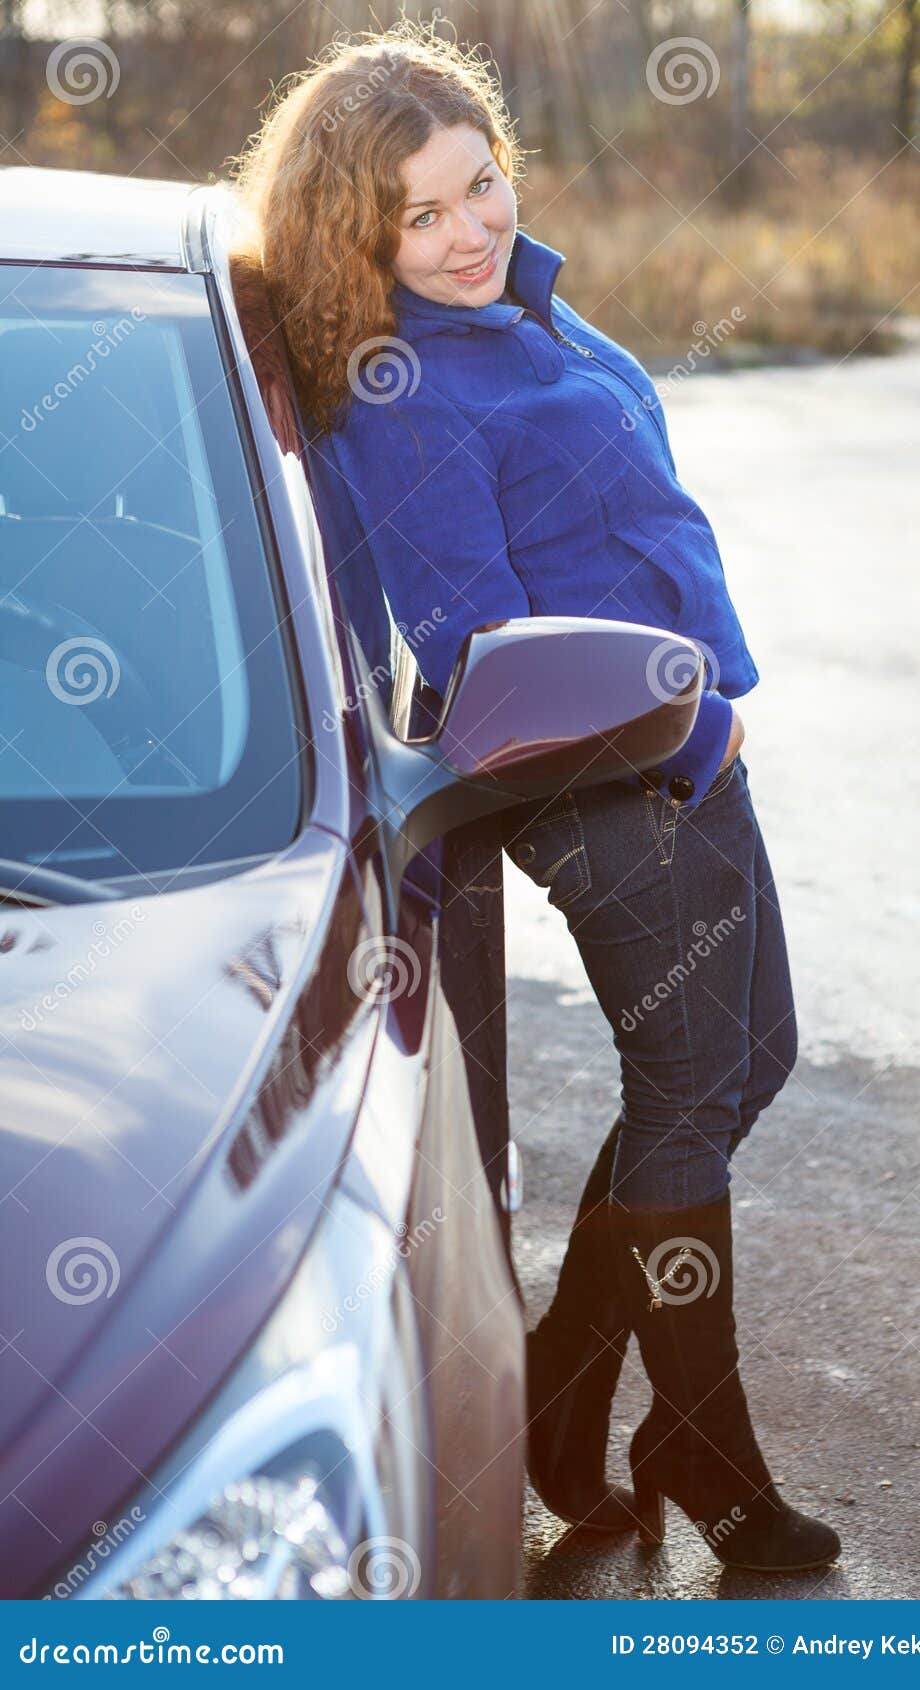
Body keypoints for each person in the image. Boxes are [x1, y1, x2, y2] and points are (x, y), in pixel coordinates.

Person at [231, 20, 840, 1574]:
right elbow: (479, 644)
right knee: (696, 1098)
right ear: (358, 235)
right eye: (418, 216)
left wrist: (713, 706)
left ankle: (564, 1394)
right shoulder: (405, 386)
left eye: (478, 185)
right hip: (601, 771)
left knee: (743, 1060)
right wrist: (676, 731)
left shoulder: (533, 314)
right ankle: (703, 1458)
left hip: (683, 739)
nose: (464, 231)